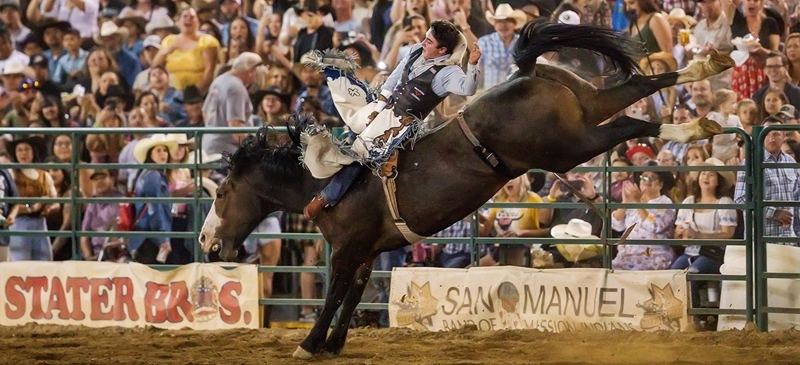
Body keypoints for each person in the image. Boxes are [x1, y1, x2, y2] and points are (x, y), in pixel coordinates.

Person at [303, 20, 482, 219]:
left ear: (442, 50)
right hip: (385, 108)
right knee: (354, 123)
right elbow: (394, 78)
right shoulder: (415, 50)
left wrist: (472, 65)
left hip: (405, 123)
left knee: (363, 151)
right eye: (425, 38)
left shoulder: (448, 72)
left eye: (428, 41)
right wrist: (377, 108)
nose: (423, 43)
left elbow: (468, 88)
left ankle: (327, 197)